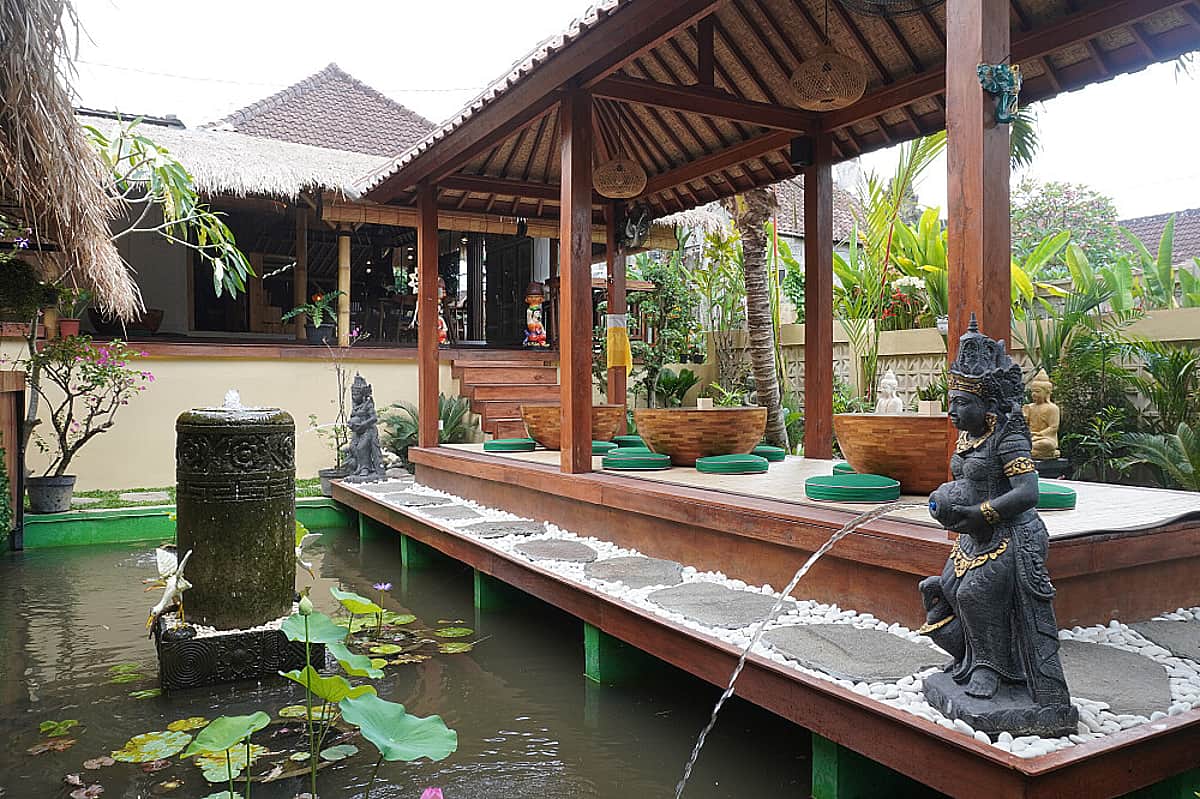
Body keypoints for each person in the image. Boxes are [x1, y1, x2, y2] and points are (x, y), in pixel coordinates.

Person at [918, 316, 1074, 735]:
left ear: (987, 406)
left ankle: (996, 671)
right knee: (944, 589)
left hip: (1010, 534)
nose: (953, 412)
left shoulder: (1009, 438)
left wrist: (983, 512)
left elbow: (1028, 493)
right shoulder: (968, 437)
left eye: (961, 404)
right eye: (951, 402)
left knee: (972, 593)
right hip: (974, 536)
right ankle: (968, 659)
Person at [1022, 368, 1060, 460]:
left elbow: (1053, 427)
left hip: (1045, 438)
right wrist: (1024, 416)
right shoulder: (1030, 407)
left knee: (1047, 444)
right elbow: (1023, 425)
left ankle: (1030, 451)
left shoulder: (1052, 408)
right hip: (1030, 436)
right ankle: (1030, 450)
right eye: (1033, 391)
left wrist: (1039, 434)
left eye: (1037, 391)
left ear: (1047, 392)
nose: (1034, 394)